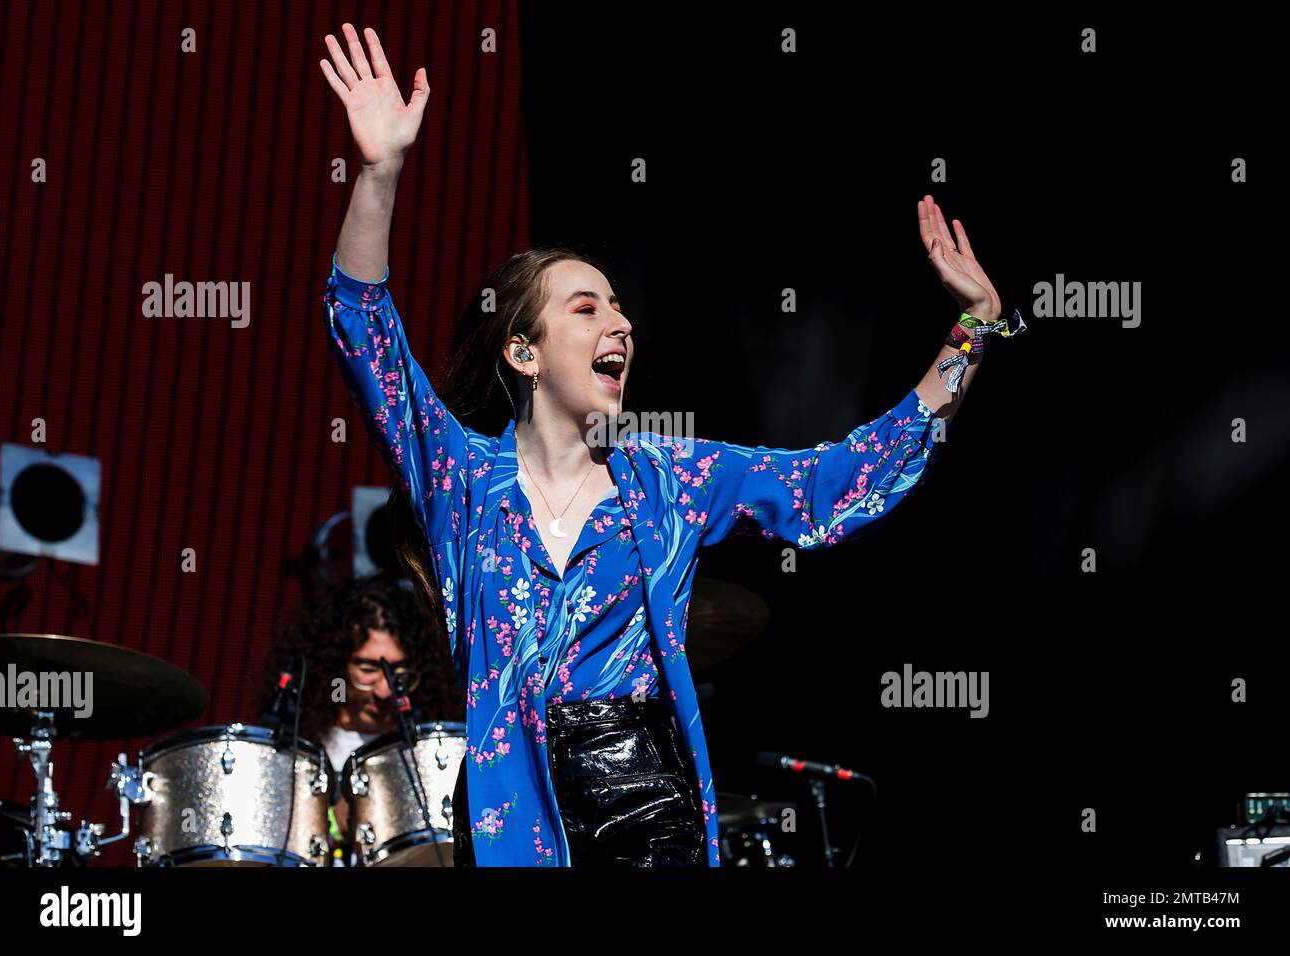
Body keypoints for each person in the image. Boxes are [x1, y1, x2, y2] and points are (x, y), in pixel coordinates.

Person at [318, 24, 1011, 866]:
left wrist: (973, 331)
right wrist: (381, 171)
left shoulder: (671, 479)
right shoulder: (462, 479)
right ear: (522, 351)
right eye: (586, 308)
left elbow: (839, 483)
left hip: (647, 802)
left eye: (619, 309)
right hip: (512, 812)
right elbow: (364, 327)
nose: (620, 323)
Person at [256, 572, 462, 863]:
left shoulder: (436, 756)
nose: (384, 690)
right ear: (333, 665)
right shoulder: (292, 749)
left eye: (398, 672)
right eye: (367, 669)